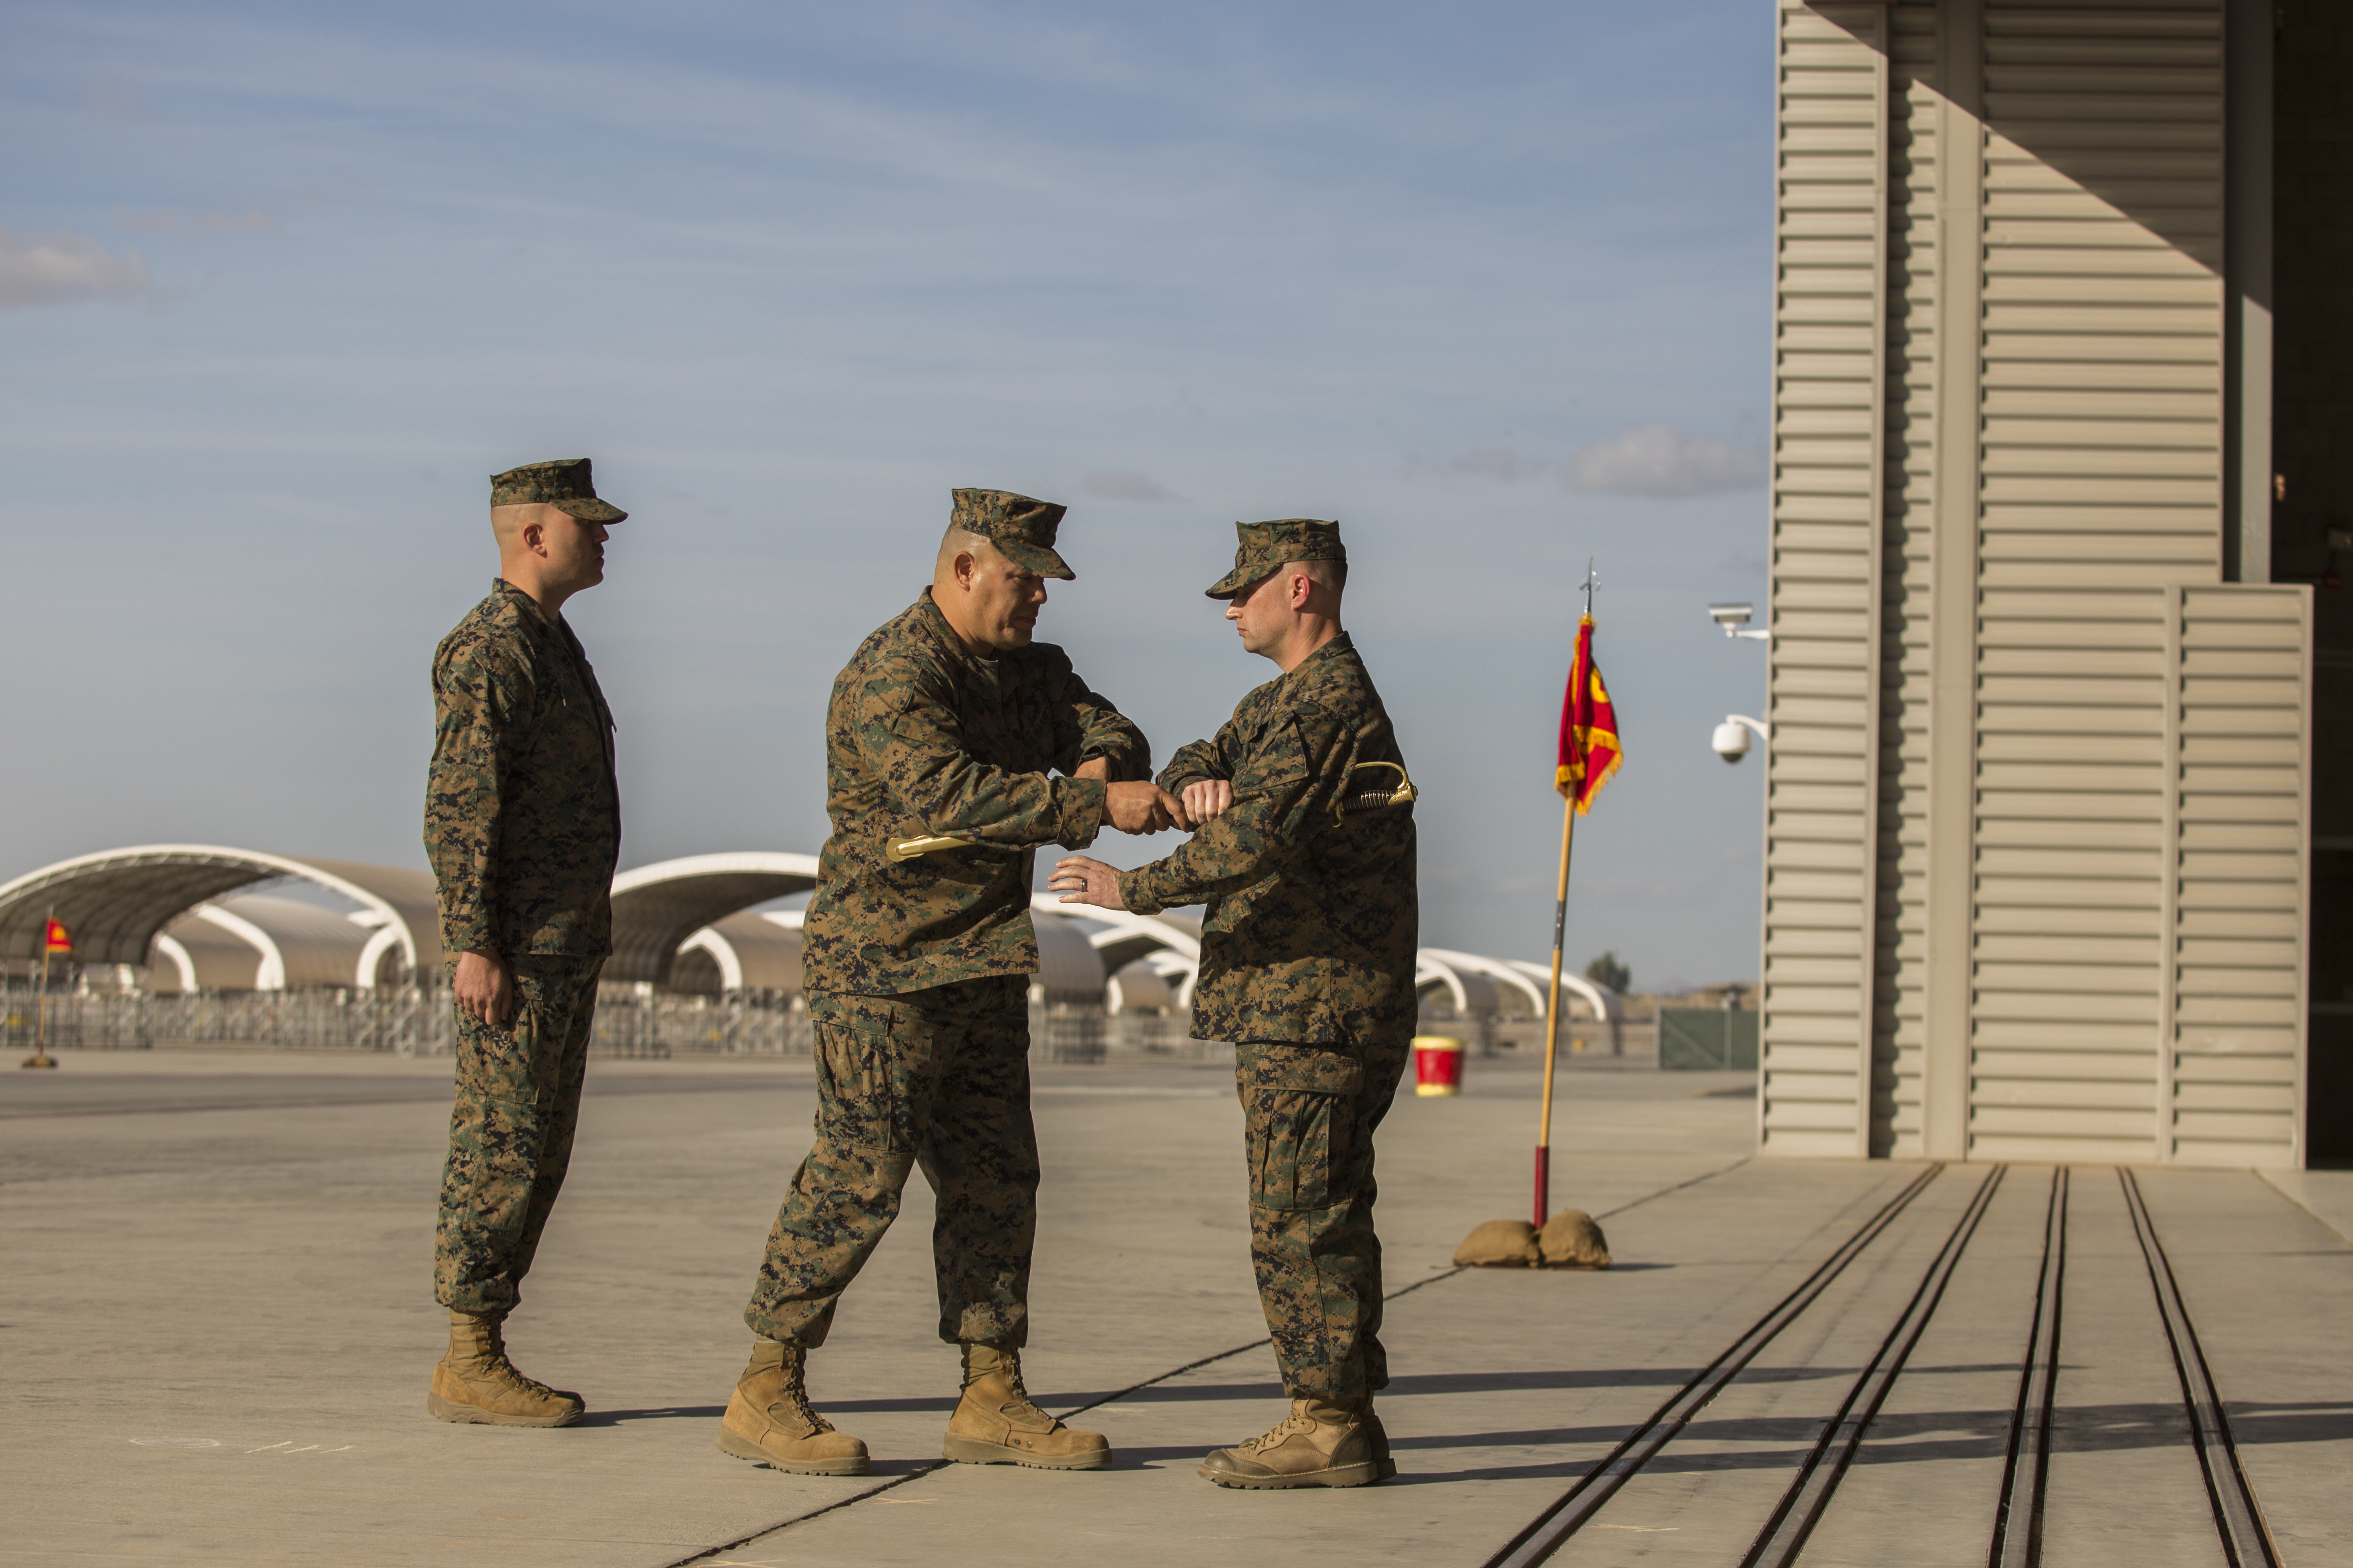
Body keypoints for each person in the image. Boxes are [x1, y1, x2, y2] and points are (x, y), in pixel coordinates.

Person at [717, 488, 1186, 1478]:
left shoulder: (1032, 670)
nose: (1039, 602)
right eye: (1024, 581)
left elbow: (1111, 727)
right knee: (859, 1173)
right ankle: (766, 1385)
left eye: (1045, 585)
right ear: (965, 568)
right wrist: (1092, 798)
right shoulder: (893, 672)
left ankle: (990, 1392)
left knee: (995, 1178)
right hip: (883, 970)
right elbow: (949, 795)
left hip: (977, 960)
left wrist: (1105, 759)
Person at [1049, 517, 1417, 1490]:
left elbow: (1252, 844)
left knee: (1303, 1216)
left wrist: (1133, 888)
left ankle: (1330, 1420)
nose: (1229, 604)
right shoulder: (1281, 702)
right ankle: (1333, 1411)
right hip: (1299, 1006)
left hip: (1317, 1005)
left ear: (1300, 588)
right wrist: (1187, 779)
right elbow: (1208, 749)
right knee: (1308, 1208)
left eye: (1245, 587)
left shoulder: (1323, 704)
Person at [422, 458, 626, 1427]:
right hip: (517, 947)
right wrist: (475, 941)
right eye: (587, 524)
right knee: (500, 1147)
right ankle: (469, 1356)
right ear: (532, 535)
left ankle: (484, 1344)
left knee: (538, 1147)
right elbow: (462, 806)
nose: (605, 536)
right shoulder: (492, 648)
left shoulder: (554, 642)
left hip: (560, 942)